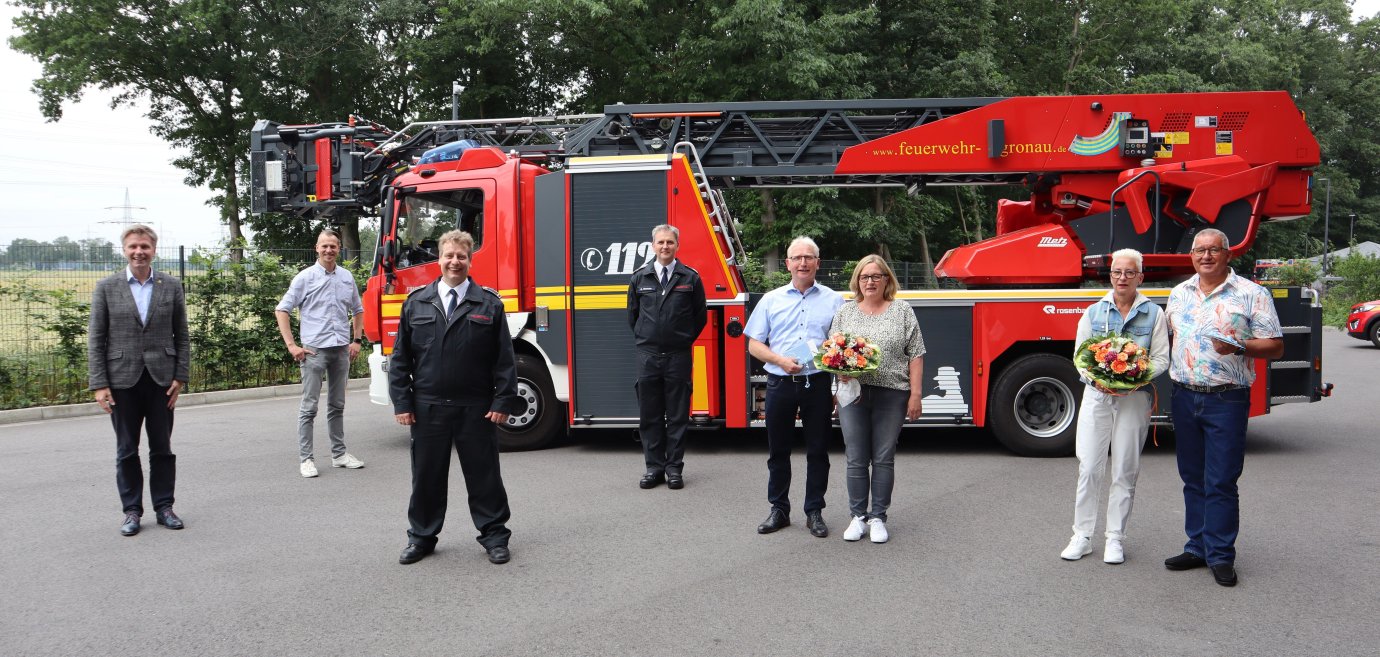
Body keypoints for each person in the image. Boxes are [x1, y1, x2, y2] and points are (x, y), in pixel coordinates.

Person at [389, 230, 519, 566]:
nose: (454, 262)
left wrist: (502, 402)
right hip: (428, 406)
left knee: (484, 476)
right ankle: (421, 537)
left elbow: (504, 361)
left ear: (470, 260)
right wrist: (402, 402)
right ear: (439, 258)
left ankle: (494, 536)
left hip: (475, 407)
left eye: (461, 256)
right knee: (427, 477)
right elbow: (400, 359)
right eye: (449, 255)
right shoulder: (417, 302)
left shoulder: (489, 303)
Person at [1163, 229, 1283, 587]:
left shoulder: (1251, 294)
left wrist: (1241, 347)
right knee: (1192, 478)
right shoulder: (1178, 293)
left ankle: (1220, 555)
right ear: (1192, 256)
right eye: (1200, 250)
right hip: (1184, 395)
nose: (1206, 256)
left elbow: (1275, 346)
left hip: (1226, 398)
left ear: (1228, 255)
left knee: (1221, 481)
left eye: (1214, 250)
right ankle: (1196, 547)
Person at [1059, 248, 1168, 564]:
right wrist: (1097, 380)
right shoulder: (1093, 312)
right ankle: (1082, 536)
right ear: (1111, 276)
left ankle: (1115, 539)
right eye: (1118, 272)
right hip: (1097, 397)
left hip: (1134, 399)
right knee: (1089, 467)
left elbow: (1161, 358)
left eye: (1130, 273)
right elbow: (1080, 356)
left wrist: (1136, 376)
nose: (1123, 278)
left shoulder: (1154, 314)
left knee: (1124, 469)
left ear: (1140, 277)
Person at [88, 224, 190, 536]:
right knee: (126, 450)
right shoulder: (107, 287)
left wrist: (180, 376)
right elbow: (96, 338)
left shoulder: (171, 286)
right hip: (121, 381)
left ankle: (164, 507)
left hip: (162, 381)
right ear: (125, 250)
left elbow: (182, 336)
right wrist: (99, 384)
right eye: (133, 246)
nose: (139, 252)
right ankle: (132, 511)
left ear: (154, 250)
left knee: (162, 448)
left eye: (144, 246)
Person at [744, 236, 843, 537]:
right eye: (797, 258)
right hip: (780, 383)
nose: (802, 263)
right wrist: (779, 360)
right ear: (787, 263)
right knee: (778, 451)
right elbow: (753, 344)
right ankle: (779, 510)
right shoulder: (771, 300)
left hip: (818, 383)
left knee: (818, 451)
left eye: (808, 257)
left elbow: (841, 348)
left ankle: (814, 511)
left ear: (818, 262)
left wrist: (837, 388)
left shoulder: (834, 300)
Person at [829, 255, 925, 544]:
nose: (870, 282)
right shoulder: (845, 312)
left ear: (887, 280)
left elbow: (917, 354)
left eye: (876, 276)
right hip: (853, 395)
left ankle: (878, 518)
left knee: (883, 458)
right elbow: (833, 352)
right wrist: (839, 373)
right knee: (856, 458)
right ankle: (858, 517)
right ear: (857, 281)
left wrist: (916, 395)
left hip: (893, 393)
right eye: (864, 277)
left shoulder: (902, 310)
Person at [275, 229, 366, 478]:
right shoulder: (305, 278)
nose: (329, 250)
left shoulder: (346, 277)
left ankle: (339, 455)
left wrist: (356, 340)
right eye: (324, 246)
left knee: (337, 405)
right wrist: (292, 346)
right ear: (317, 248)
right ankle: (306, 459)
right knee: (309, 407)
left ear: (339, 249)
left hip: (340, 351)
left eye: (333, 246)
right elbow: (282, 310)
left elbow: (358, 309)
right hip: (314, 352)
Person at [627, 224, 707, 490]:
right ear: (653, 246)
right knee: (649, 416)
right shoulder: (640, 278)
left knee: (677, 416)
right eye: (660, 242)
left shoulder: (690, 278)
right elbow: (633, 316)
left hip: (677, 357)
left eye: (670, 242)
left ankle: (674, 469)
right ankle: (653, 468)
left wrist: (680, 339)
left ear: (677, 245)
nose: (665, 247)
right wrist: (649, 339)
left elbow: (699, 317)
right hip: (648, 356)